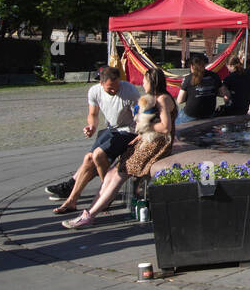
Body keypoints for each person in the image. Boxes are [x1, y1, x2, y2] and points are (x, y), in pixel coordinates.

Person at [63, 69, 176, 229]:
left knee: (118, 175)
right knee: (110, 174)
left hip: (156, 145)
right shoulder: (154, 98)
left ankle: (90, 216)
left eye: (144, 80)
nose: (142, 83)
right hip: (147, 141)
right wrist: (141, 133)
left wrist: (145, 126)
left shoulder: (163, 99)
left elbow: (166, 128)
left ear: (152, 81)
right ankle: (88, 212)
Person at [49, 65, 139, 214]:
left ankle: (106, 193)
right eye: (110, 88)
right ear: (101, 83)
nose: (113, 90)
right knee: (88, 159)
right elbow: (93, 114)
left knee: (98, 155)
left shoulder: (129, 90)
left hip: (129, 131)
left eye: (116, 86)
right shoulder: (94, 91)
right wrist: (91, 126)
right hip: (112, 129)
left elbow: (139, 113)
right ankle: (72, 201)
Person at [177, 53, 224, 122]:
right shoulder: (215, 76)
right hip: (209, 113)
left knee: (176, 118)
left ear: (192, 66)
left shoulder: (188, 79)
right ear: (205, 65)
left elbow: (179, 101)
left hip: (191, 115)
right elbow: (222, 93)